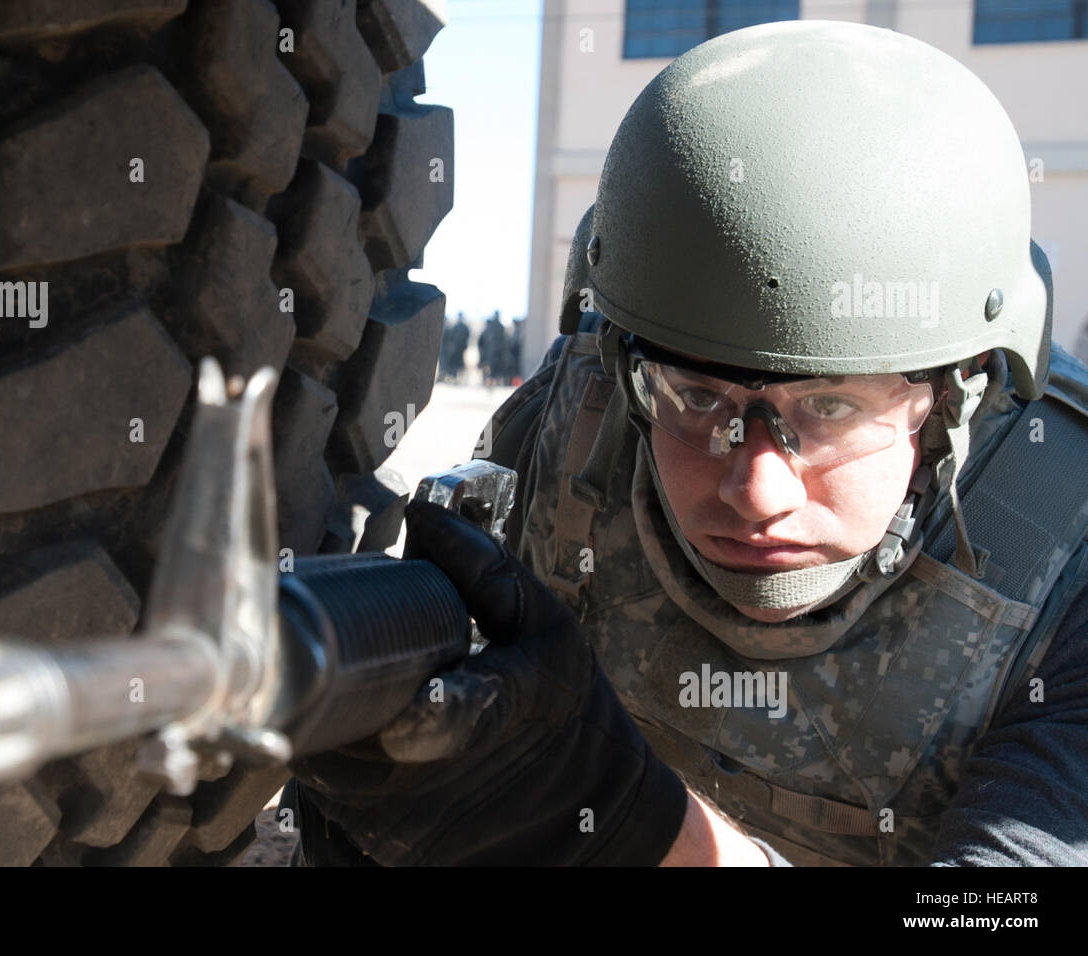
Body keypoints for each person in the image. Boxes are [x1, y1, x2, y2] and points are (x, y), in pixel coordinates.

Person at [287, 20, 1088, 866]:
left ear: (955, 398)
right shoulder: (574, 424)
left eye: (831, 407)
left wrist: (626, 818)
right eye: (699, 398)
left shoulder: (1062, 547)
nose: (757, 491)